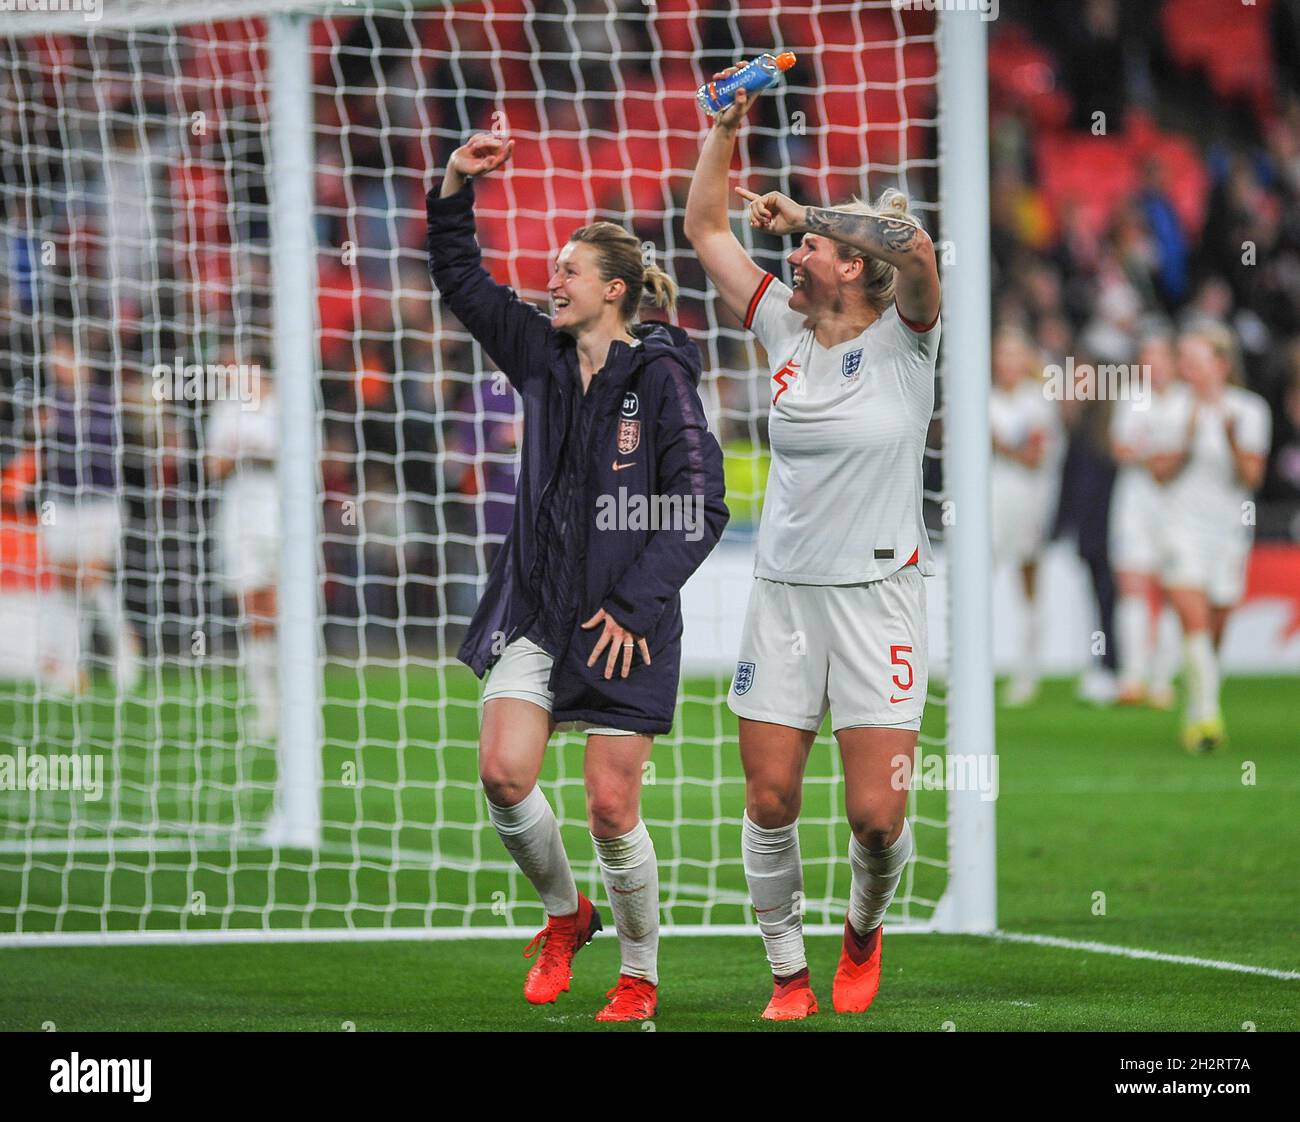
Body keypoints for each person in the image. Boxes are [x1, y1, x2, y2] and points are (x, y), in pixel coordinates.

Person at [427, 133, 728, 1022]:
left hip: (627, 623)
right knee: (503, 774)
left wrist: (634, 604)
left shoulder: (662, 380)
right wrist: (456, 183)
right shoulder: (540, 356)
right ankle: (567, 914)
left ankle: (640, 976)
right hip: (537, 612)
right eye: (553, 269)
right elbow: (462, 280)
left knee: (609, 808)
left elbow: (700, 505)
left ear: (614, 290)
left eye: (568, 271)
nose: (551, 281)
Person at [684, 72, 941, 1021]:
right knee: (770, 801)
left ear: (856, 267)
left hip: (880, 597)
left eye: (814, 248)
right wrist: (724, 130)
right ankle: (789, 972)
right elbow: (705, 226)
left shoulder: (910, 339)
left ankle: (863, 929)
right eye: (799, 242)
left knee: (877, 817)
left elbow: (916, 249)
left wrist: (811, 210)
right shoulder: (782, 326)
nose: (794, 250)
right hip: (786, 594)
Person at [1148, 322, 1270, 752]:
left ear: (1221, 364)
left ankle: (1197, 704)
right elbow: (1158, 473)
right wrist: (1186, 439)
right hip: (1180, 527)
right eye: (1184, 360)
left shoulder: (1249, 410)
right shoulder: (1170, 409)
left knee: (1215, 623)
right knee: (1193, 617)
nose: (1187, 369)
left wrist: (1232, 440)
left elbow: (1251, 477)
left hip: (1229, 532)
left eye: (1195, 360)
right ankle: (1208, 718)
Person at [989, 326, 1063, 706]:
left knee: (1029, 582)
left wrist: (996, 443)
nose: (1008, 363)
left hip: (1028, 502)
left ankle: (1028, 669)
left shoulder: (1038, 402)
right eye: (1002, 355)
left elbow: (1035, 457)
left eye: (1014, 355)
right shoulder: (983, 398)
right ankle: (971, 664)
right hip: (988, 501)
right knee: (979, 579)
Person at [1109, 327, 1180, 708]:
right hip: (1135, 504)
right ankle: (1132, 675)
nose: (1152, 365)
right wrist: (1158, 457)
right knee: (1132, 585)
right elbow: (1120, 447)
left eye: (1159, 356)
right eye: (1146, 358)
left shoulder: (1186, 400)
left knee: (1173, 588)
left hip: (1177, 506)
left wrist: (1156, 455)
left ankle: (1163, 678)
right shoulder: (1132, 397)